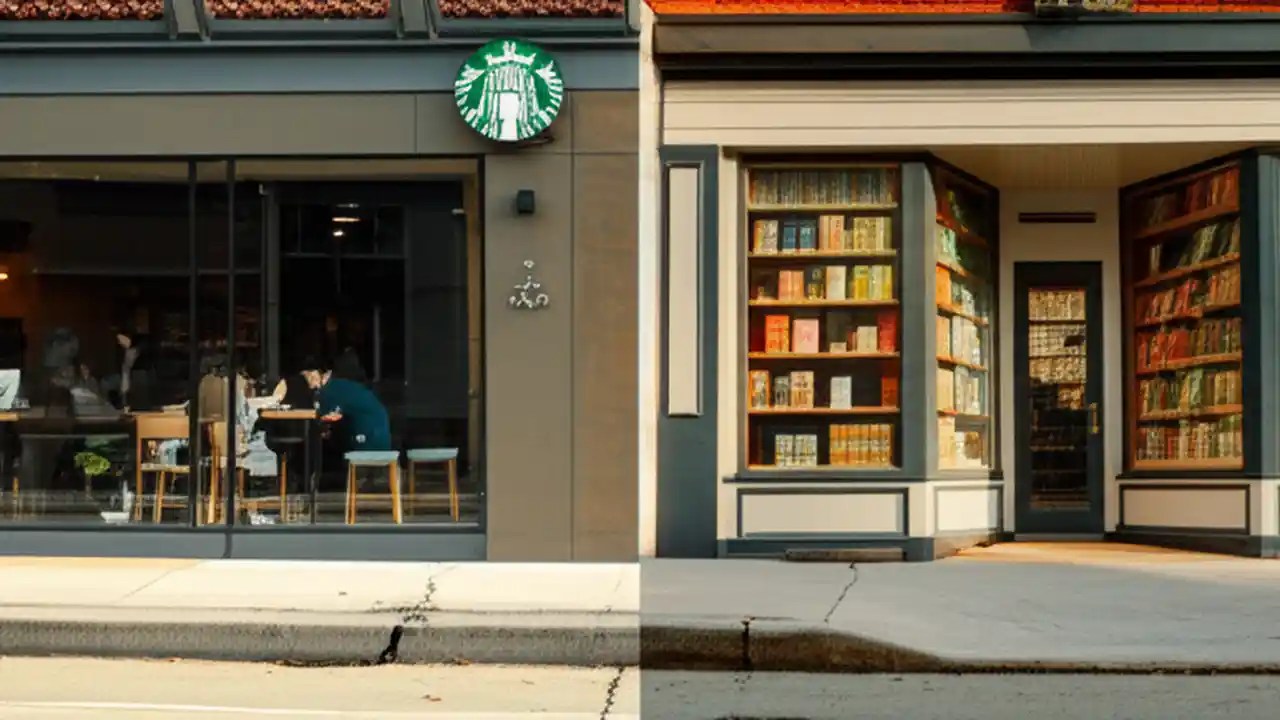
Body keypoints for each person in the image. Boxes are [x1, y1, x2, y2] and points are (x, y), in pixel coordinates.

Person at [304, 360, 390, 452]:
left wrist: (323, 424)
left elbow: (328, 418)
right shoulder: (339, 386)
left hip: (368, 434)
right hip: (375, 430)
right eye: (305, 376)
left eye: (311, 375)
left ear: (326, 374)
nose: (308, 379)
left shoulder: (331, 389)